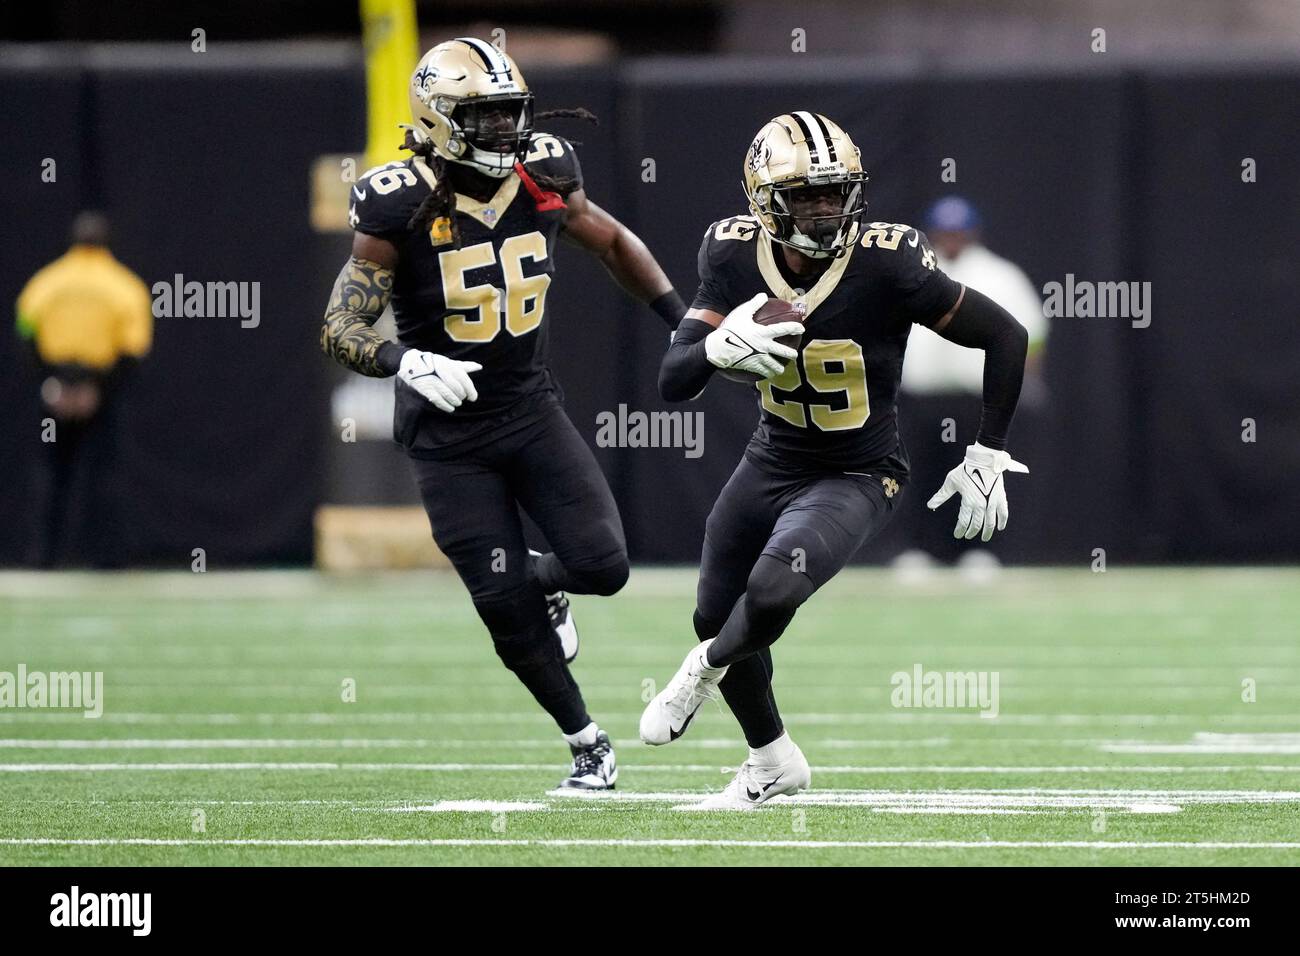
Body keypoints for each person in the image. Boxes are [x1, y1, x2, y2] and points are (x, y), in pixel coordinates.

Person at [320, 38, 689, 791]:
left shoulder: (543, 170)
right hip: (445, 433)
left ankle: (542, 580)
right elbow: (339, 327)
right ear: (437, 118)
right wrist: (405, 359)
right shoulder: (397, 198)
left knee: (604, 567)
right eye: (482, 117)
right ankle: (586, 741)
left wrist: (685, 322)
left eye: (508, 114)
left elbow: (612, 241)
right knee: (498, 602)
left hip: (527, 409)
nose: (501, 131)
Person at [641, 113, 1029, 808]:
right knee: (712, 609)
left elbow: (1006, 335)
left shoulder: (888, 260)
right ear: (764, 200)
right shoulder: (730, 254)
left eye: (836, 191)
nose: (826, 208)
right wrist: (714, 350)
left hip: (858, 469)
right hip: (772, 459)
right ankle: (772, 761)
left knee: (768, 593)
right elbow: (674, 380)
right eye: (807, 195)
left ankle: (702, 671)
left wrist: (988, 450)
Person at [895, 195, 1047, 570]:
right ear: (932, 233)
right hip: (921, 396)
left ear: (972, 233)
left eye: (958, 232)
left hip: (974, 397)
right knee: (918, 474)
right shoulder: (911, 271)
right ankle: (922, 551)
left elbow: (1030, 333)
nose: (951, 239)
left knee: (980, 472)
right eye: (945, 232)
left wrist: (1020, 382)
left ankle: (980, 552)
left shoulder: (1001, 275)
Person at [16, 211, 152, 568]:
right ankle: (105, 559)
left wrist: (52, 381)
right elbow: (134, 349)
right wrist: (97, 390)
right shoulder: (124, 285)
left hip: (55, 393)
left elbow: (25, 330)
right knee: (104, 475)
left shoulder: (47, 281)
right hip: (99, 393)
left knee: (49, 475)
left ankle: (41, 558)